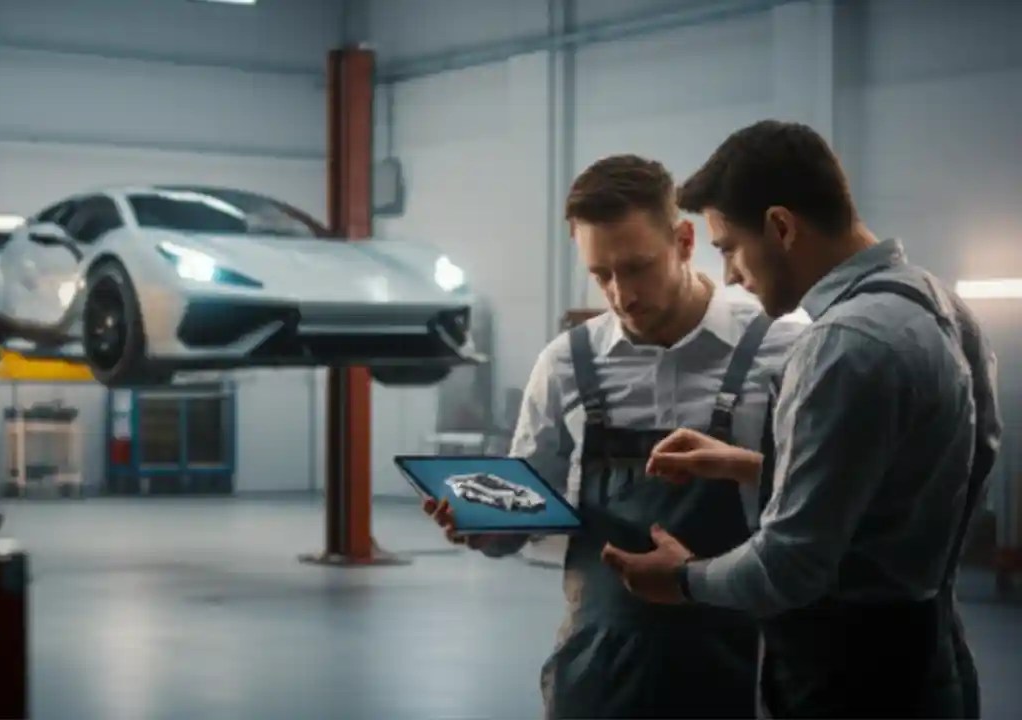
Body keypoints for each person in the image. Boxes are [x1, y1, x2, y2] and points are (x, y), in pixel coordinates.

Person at [600, 120, 1002, 718]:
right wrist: (751, 466)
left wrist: (682, 578)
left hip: (849, 685)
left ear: (781, 227)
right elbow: (914, 482)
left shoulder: (841, 344)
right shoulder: (940, 307)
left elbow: (789, 567)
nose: (732, 274)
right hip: (930, 665)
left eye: (729, 247)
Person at [424, 154, 807, 718]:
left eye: (637, 267)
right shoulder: (565, 364)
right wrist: (486, 528)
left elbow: (818, 499)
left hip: (745, 664)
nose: (621, 295)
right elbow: (532, 503)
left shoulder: (784, 347)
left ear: (683, 240)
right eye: (601, 274)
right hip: (600, 668)